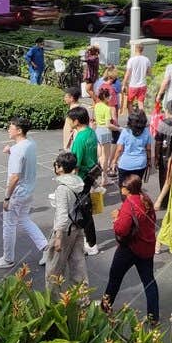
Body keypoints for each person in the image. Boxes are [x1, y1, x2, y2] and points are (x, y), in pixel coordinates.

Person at [0, 117, 49, 272]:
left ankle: (7, 259)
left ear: (19, 130)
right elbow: (24, 162)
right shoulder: (30, 144)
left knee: (9, 225)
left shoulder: (17, 150)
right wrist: (11, 151)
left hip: (17, 193)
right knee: (24, 219)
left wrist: (7, 198)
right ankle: (46, 248)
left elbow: (15, 176)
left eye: (11, 127)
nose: (8, 129)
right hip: (28, 190)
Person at [102, 173, 159, 320]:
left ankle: (105, 306)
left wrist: (116, 219)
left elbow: (122, 229)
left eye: (123, 186)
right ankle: (153, 316)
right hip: (146, 247)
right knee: (149, 281)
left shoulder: (129, 204)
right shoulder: (145, 199)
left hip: (130, 248)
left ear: (127, 189)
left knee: (115, 277)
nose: (121, 188)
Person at [47, 151, 89, 294]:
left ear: (60, 168)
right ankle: (82, 298)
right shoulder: (79, 182)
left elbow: (62, 215)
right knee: (78, 264)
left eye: (56, 165)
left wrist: (58, 237)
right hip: (78, 227)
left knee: (54, 268)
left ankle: (54, 301)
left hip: (65, 231)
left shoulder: (62, 188)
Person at [67, 106, 101, 257]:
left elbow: (75, 162)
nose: (68, 122)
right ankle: (84, 239)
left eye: (69, 119)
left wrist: (68, 180)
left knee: (84, 211)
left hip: (81, 177)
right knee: (82, 209)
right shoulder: (91, 133)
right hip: (91, 174)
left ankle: (92, 244)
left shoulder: (80, 138)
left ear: (76, 121)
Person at [115, 107, 151, 186]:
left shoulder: (126, 131)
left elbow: (119, 149)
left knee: (124, 188)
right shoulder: (146, 132)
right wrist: (149, 160)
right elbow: (148, 149)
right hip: (140, 164)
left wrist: (114, 162)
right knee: (136, 188)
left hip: (125, 165)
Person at [93, 86, 116, 181]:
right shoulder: (107, 108)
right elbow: (108, 124)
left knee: (100, 156)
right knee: (106, 157)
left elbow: (94, 119)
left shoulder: (97, 105)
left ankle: (99, 174)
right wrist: (118, 129)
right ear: (106, 97)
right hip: (105, 132)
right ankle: (104, 178)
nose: (110, 98)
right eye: (109, 96)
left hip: (98, 130)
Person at [124, 42, 151, 111]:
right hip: (143, 85)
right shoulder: (147, 60)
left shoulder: (131, 60)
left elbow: (127, 74)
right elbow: (149, 73)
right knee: (140, 103)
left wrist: (124, 84)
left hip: (133, 85)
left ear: (135, 49)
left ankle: (131, 118)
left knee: (130, 103)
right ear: (142, 50)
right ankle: (141, 118)